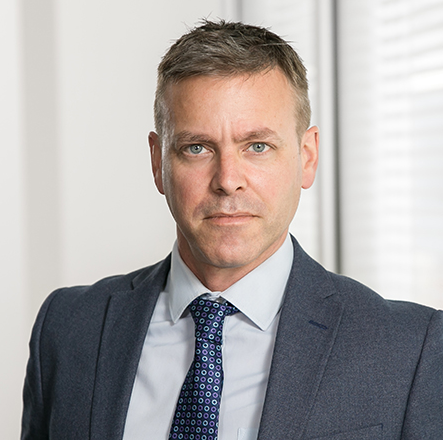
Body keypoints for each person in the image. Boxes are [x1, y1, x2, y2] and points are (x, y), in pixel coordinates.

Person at [21, 19, 442, 440]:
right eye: (197, 148)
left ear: (307, 157)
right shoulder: (68, 328)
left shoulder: (410, 351)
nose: (227, 180)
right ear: (157, 162)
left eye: (257, 146)